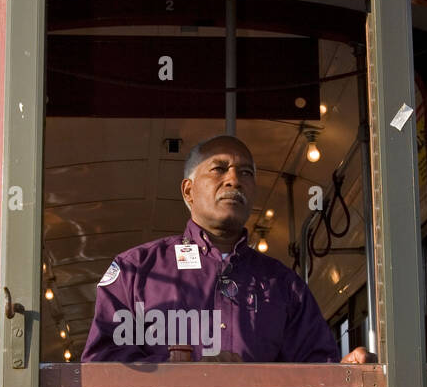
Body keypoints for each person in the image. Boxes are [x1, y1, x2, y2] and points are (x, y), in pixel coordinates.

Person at [81, 135, 373, 365]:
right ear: (187, 191)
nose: (234, 179)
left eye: (246, 173)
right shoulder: (135, 271)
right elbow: (102, 364)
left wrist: (345, 370)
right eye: (219, 168)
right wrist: (188, 372)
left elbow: (316, 371)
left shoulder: (285, 286)